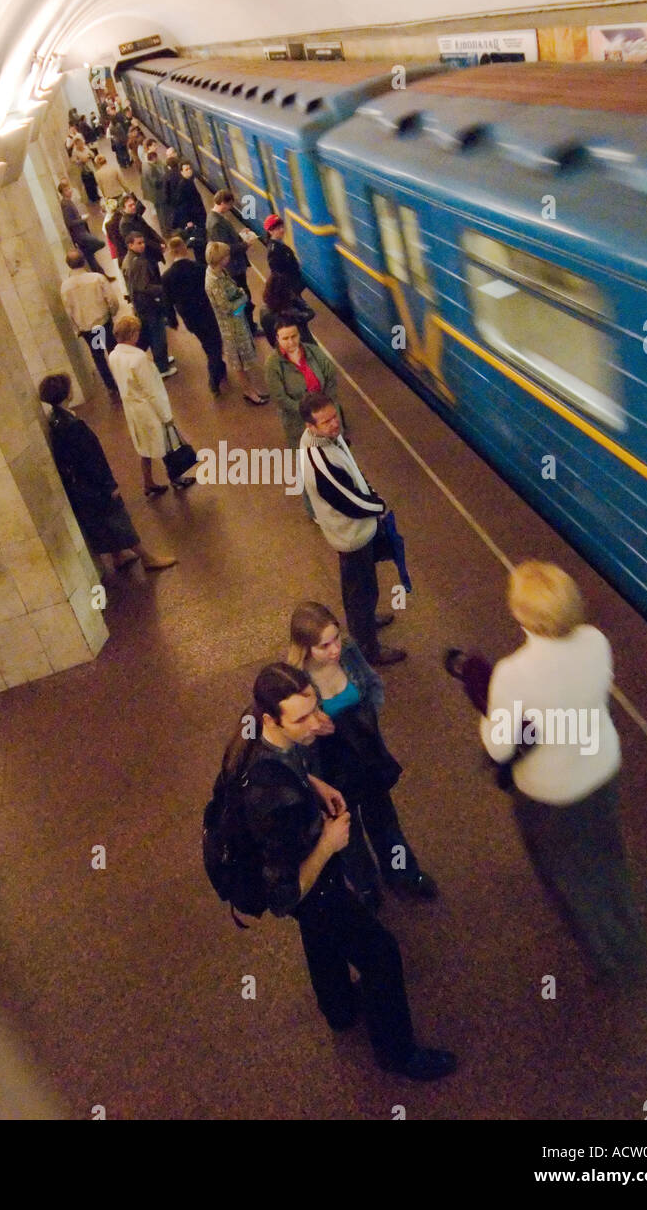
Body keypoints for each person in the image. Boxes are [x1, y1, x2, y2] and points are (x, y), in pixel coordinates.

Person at [237, 662, 456, 1080]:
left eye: (315, 708)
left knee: (320, 940)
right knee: (382, 955)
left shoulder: (257, 736)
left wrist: (315, 784)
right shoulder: (273, 799)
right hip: (315, 888)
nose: (317, 723)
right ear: (272, 718)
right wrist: (329, 843)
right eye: (302, 718)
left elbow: (287, 763)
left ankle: (338, 1009)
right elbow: (285, 896)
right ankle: (399, 1054)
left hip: (313, 888)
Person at [444, 561, 646, 984]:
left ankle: (609, 960)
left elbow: (499, 744)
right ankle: (628, 932)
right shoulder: (595, 641)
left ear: (522, 616)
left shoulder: (514, 673)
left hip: (552, 793)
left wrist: (486, 714)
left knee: (569, 875)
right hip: (602, 769)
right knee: (608, 856)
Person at [288, 602, 437, 906]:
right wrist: (314, 727)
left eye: (336, 639)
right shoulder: (295, 682)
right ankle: (366, 886)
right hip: (328, 767)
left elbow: (371, 684)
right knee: (348, 834)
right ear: (305, 648)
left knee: (385, 820)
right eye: (323, 646)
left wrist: (368, 720)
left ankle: (404, 874)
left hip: (364, 755)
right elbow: (289, 736)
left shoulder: (350, 652)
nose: (334, 650)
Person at [299, 390, 405, 667]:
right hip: (351, 537)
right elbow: (349, 501)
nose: (334, 423)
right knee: (361, 591)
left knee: (361, 587)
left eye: (335, 416)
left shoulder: (326, 438)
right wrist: (378, 506)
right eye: (326, 421)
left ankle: (366, 622)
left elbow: (353, 476)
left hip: (357, 531)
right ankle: (368, 648)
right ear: (311, 426)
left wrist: (371, 493)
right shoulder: (319, 460)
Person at [38, 373, 176, 571]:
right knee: (117, 518)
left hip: (83, 487)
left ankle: (117, 555)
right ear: (67, 393)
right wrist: (109, 485)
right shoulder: (73, 426)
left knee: (105, 522)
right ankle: (147, 557)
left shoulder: (57, 420)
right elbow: (91, 460)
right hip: (95, 486)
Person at [107, 314, 196, 496]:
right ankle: (176, 478)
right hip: (148, 409)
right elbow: (152, 390)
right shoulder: (139, 358)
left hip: (132, 408)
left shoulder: (114, 355)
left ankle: (148, 482)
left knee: (144, 446)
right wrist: (166, 415)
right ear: (132, 334)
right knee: (166, 444)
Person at [204, 242, 268, 405]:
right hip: (231, 327)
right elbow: (227, 307)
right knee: (239, 362)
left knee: (242, 361)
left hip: (236, 321)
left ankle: (251, 389)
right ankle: (249, 391)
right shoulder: (214, 281)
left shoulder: (218, 272)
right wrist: (242, 297)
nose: (229, 257)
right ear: (221, 259)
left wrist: (238, 295)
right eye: (226, 255)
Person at [161, 236, 226, 393]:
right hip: (207, 313)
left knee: (207, 343)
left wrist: (172, 320)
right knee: (215, 344)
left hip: (190, 318)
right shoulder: (199, 268)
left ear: (170, 252)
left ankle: (220, 367)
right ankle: (214, 378)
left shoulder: (167, 276)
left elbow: (167, 301)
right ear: (184, 248)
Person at [265, 319, 337, 449]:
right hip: (298, 422)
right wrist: (307, 413)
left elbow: (330, 378)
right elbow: (279, 398)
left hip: (325, 416)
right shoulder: (273, 364)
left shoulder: (314, 351)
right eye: (285, 338)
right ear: (277, 338)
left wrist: (326, 406)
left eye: (294, 336)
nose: (291, 342)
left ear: (299, 334)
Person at [60, 250, 120, 396]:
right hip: (103, 321)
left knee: (98, 356)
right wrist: (113, 312)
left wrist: (77, 327)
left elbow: (69, 311)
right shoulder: (97, 278)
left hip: (88, 328)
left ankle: (111, 386)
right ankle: (121, 377)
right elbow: (111, 299)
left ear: (68, 265)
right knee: (113, 350)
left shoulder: (65, 286)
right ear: (83, 261)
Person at [122, 230, 176, 378]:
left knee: (148, 333)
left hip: (140, 305)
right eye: (139, 243)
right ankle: (162, 367)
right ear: (130, 245)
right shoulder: (139, 262)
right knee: (157, 334)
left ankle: (160, 360)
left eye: (143, 242)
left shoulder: (128, 260)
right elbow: (144, 287)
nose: (143, 246)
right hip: (149, 304)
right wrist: (163, 288)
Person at [206, 190, 260, 334]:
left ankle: (249, 325)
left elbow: (228, 239)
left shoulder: (215, 217)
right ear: (223, 203)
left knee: (244, 295)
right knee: (243, 297)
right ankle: (250, 328)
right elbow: (224, 249)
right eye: (229, 205)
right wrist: (245, 245)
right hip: (234, 267)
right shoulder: (216, 223)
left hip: (234, 265)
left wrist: (241, 234)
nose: (230, 208)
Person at [56, 179, 106, 273]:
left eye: (69, 188)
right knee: (99, 243)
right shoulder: (66, 204)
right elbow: (69, 222)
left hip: (81, 232)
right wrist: (82, 220)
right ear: (62, 193)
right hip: (80, 234)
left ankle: (101, 273)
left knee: (92, 260)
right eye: (66, 190)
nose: (69, 191)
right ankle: (86, 253)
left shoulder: (68, 202)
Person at [259, 274, 315, 350]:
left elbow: (271, 339)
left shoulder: (264, 311)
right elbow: (310, 312)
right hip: (304, 347)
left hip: (282, 349)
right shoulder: (292, 314)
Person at [169, 161, 206, 258]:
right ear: (181, 172)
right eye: (186, 169)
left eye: (190, 168)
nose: (189, 171)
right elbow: (181, 206)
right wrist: (188, 221)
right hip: (195, 219)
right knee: (199, 243)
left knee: (200, 242)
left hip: (197, 217)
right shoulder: (183, 185)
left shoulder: (189, 182)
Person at [264, 214, 305, 295]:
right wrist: (290, 290)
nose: (282, 230)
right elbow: (278, 274)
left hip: (293, 284)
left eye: (282, 227)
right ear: (270, 231)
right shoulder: (273, 251)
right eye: (278, 228)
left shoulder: (278, 244)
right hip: (290, 287)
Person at [119, 194, 164, 259]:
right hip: (143, 255)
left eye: (134, 204)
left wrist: (160, 240)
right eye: (130, 206)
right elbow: (139, 240)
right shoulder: (125, 224)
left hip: (151, 250)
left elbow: (148, 229)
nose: (134, 207)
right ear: (124, 209)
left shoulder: (136, 215)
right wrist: (158, 246)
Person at [141, 149, 167, 225]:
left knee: (160, 212)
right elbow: (155, 182)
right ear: (154, 158)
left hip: (150, 193)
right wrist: (164, 178)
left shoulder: (145, 165)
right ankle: (165, 229)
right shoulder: (151, 168)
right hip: (155, 194)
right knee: (161, 213)